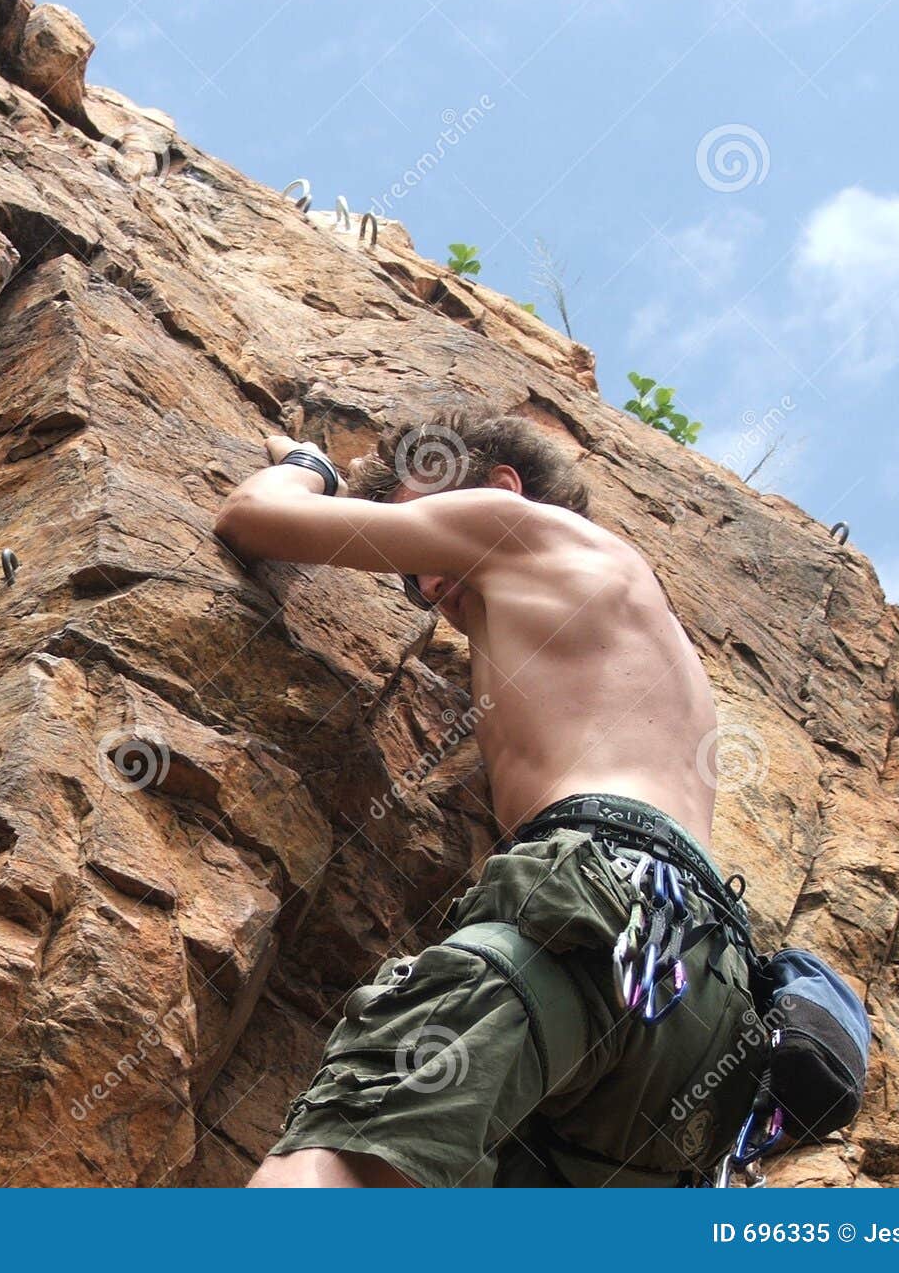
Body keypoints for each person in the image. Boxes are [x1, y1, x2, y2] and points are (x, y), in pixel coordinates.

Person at [214, 410, 766, 1188]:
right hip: (704, 983)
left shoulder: (514, 523)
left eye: (423, 532)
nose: (426, 582)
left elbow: (250, 519)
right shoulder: (624, 622)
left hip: (592, 900)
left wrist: (308, 462)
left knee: (341, 1165)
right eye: (411, 579)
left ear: (500, 484)